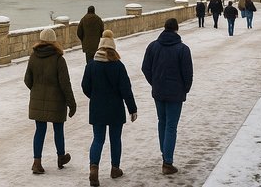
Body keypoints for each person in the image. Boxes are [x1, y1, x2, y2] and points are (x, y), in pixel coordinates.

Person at [82, 30, 137, 186]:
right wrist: (132, 109)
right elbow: (126, 89)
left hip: (97, 108)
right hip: (115, 109)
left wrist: (94, 97)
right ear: (113, 48)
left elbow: (85, 86)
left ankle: (94, 168)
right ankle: (115, 168)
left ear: (100, 48)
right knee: (115, 139)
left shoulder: (91, 65)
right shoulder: (118, 66)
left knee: (98, 139)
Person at [141, 18, 193, 175]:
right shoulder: (183, 49)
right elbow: (187, 73)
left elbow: (145, 68)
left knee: (162, 123)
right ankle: (167, 162)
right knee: (171, 126)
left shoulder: (153, 46)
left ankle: (165, 154)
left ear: (164, 28)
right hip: (175, 93)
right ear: (176, 29)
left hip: (159, 92)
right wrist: (185, 89)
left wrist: (154, 82)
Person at [24, 28, 77, 175]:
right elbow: (65, 84)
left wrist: (36, 91)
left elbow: (27, 80)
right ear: (54, 41)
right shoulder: (59, 59)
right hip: (57, 101)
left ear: (40, 40)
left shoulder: (33, 57)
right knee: (58, 130)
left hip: (37, 101)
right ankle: (61, 157)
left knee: (39, 131)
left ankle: (37, 162)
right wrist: (71, 103)